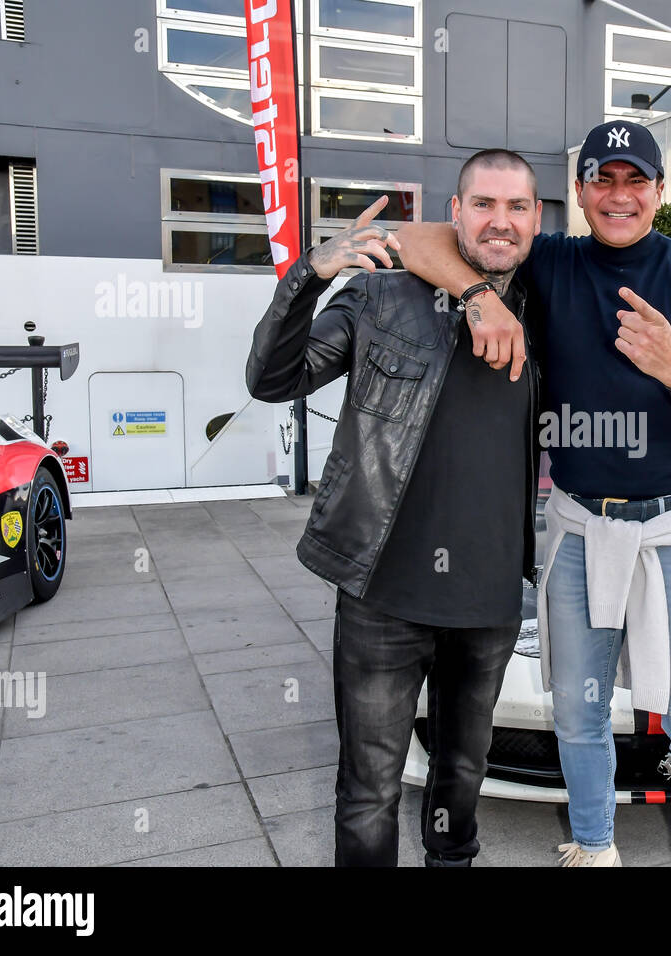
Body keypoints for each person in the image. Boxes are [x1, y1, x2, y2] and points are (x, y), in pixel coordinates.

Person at [397, 121, 671, 867]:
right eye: (603, 180)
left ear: (659, 190)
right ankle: (594, 846)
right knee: (578, 711)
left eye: (635, 181)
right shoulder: (550, 261)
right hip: (581, 526)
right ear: (582, 191)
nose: (619, 196)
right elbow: (415, 240)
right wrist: (479, 299)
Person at [245, 149, 543, 866]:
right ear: (457, 212)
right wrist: (309, 276)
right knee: (369, 790)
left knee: (461, 784)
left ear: (537, 218)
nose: (499, 222)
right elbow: (271, 377)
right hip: (384, 597)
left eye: (517, 207)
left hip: (491, 600)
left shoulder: (551, 301)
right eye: (483, 204)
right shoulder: (383, 299)